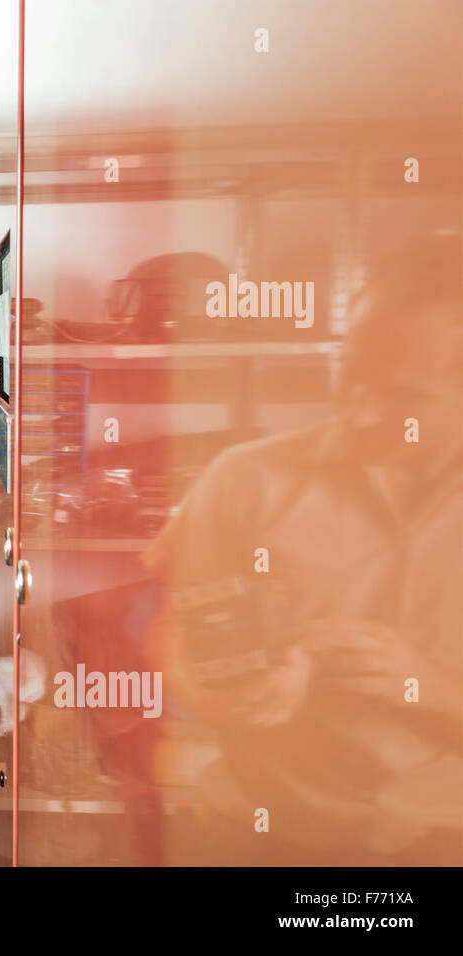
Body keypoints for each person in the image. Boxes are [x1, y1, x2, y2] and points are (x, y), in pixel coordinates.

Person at [144, 233, 463, 865]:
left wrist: (430, 689)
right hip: (259, 837)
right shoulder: (245, 478)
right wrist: (217, 694)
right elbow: (168, 630)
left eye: (406, 395)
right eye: (352, 376)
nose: (363, 412)